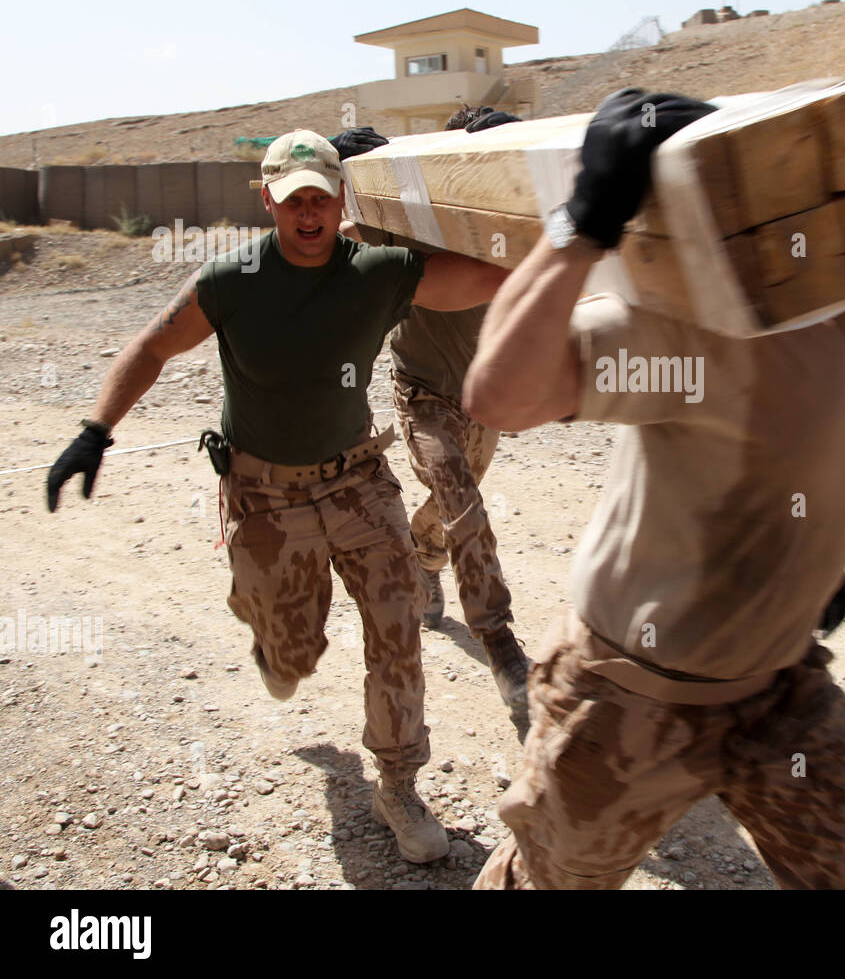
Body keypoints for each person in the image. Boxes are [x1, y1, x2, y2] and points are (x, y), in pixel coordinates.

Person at [462, 57, 845, 890]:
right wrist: (586, 218)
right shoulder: (716, 321)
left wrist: (804, 563)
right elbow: (501, 394)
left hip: (781, 690)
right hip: (629, 699)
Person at [45, 130, 508, 864]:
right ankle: (273, 635)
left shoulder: (379, 273)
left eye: (322, 197)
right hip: (266, 497)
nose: (309, 212)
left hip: (359, 485)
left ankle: (399, 784)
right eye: (294, 200)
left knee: (397, 632)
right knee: (291, 662)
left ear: (341, 200)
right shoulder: (232, 281)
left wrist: (561, 244)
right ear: (269, 202)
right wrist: (95, 431)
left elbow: (486, 279)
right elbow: (153, 345)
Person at [382, 104, 530, 731]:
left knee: (454, 504)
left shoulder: (510, 223)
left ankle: (422, 554)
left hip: (481, 397)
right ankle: (500, 644)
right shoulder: (409, 216)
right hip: (423, 395)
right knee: (464, 504)